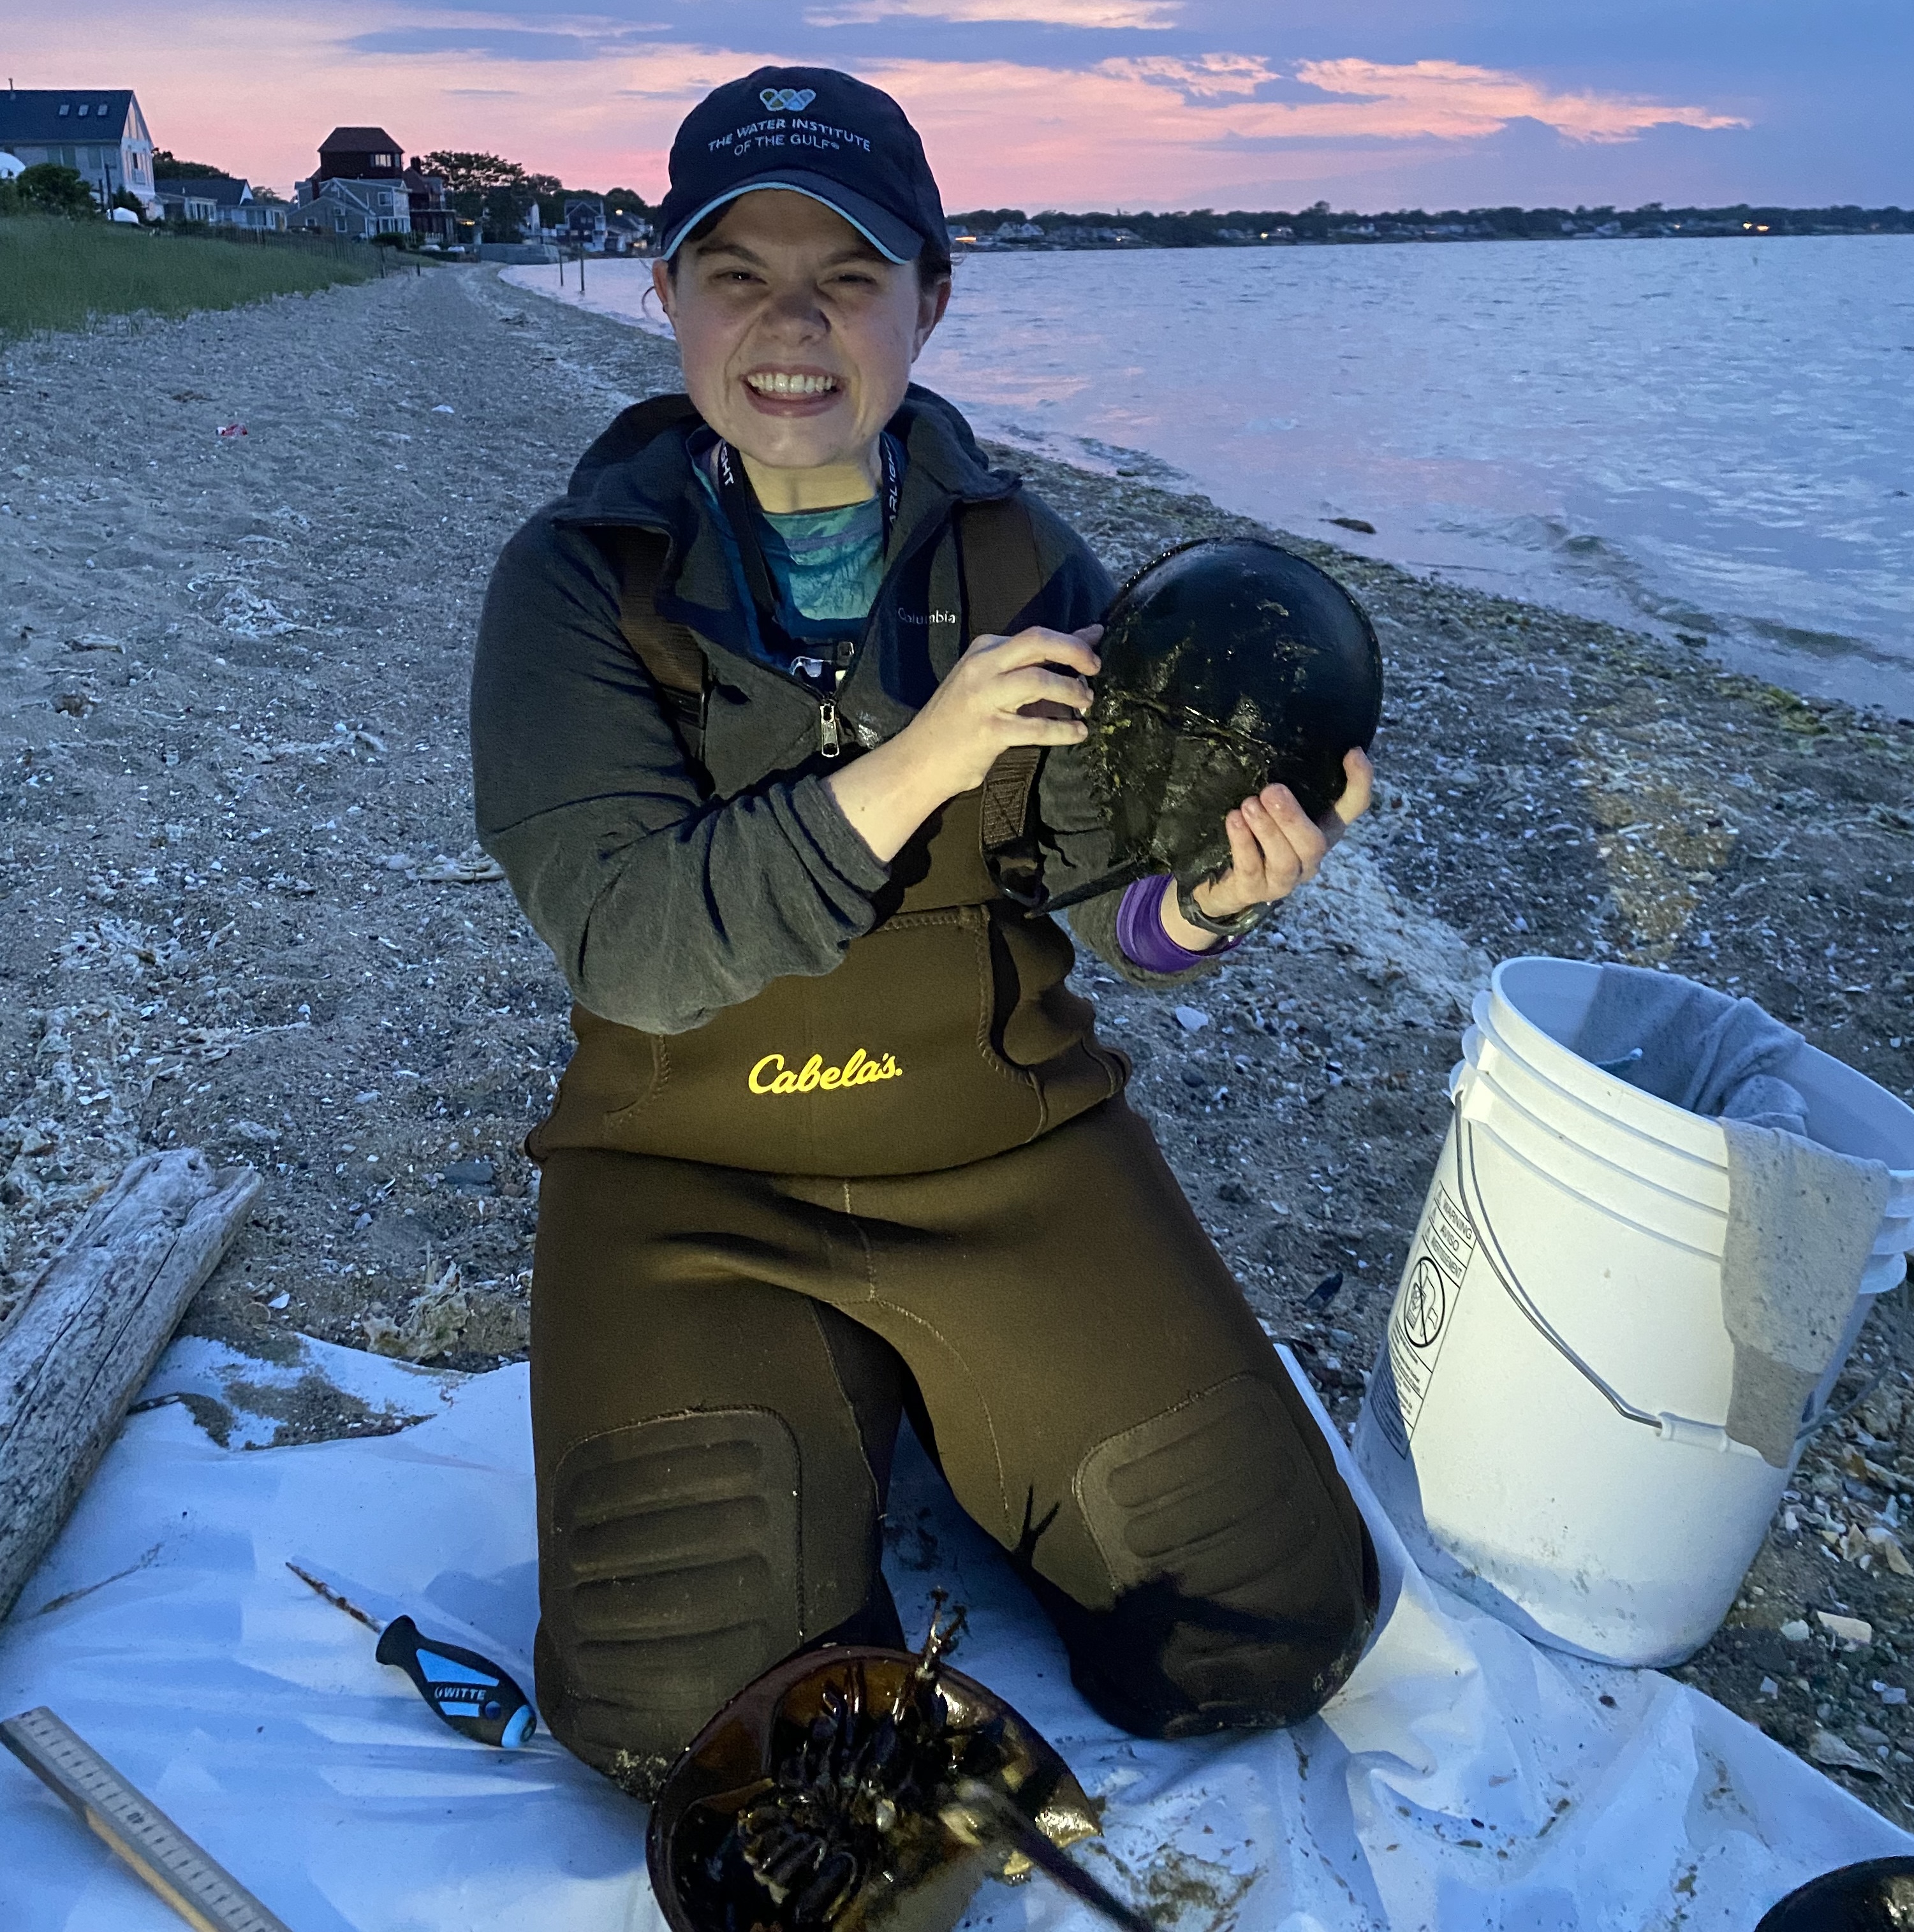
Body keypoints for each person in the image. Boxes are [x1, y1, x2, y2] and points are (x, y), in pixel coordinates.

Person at [471, 66, 1379, 1792]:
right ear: (665, 296)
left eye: (849, 275)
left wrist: (1205, 900)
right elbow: (628, 940)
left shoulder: (1026, 558)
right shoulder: (577, 580)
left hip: (1004, 1154)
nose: (791, 324)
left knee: (1267, 1634)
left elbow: (1103, 894)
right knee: (695, 1736)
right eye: (737, 272)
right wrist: (916, 761)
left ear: (930, 299)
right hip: (689, 1183)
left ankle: (965, 1416)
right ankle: (835, 1448)